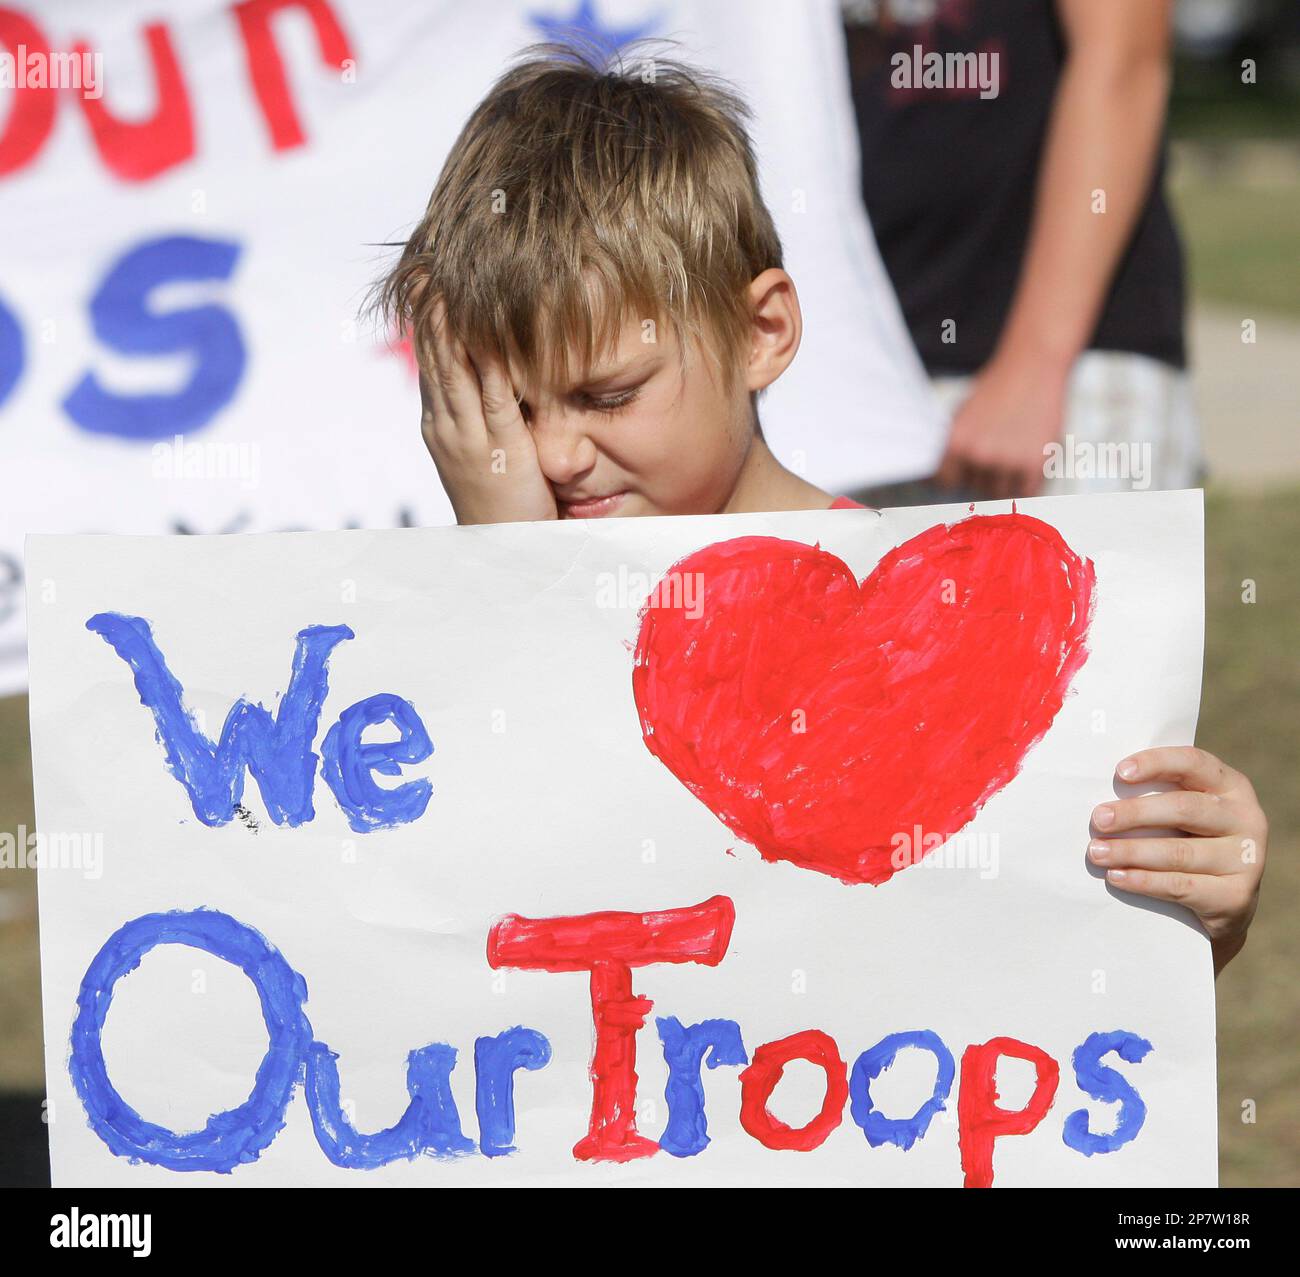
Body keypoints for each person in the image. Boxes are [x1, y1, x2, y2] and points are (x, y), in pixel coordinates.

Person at [375, 39, 1265, 976]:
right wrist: (505, 567)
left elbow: (1047, 963)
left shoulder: (935, 633)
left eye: (607, 396)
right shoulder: (441, 627)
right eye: (509, 411)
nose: (553, 454)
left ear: (762, 333)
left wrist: (1202, 905)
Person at [842, 0, 1202, 503]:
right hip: (860, 378)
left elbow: (1123, 59)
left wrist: (1035, 365)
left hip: (1060, 368)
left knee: (1080, 582)